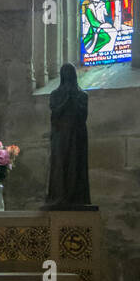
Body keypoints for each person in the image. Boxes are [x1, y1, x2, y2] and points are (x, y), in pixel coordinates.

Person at [47, 63, 91, 207]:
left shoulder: (82, 95)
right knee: (60, 166)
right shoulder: (55, 94)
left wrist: (73, 100)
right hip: (60, 136)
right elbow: (55, 116)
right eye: (64, 73)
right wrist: (66, 101)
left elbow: (82, 116)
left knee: (76, 166)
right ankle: (59, 196)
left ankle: (76, 197)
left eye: (69, 73)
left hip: (77, 136)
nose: (67, 76)